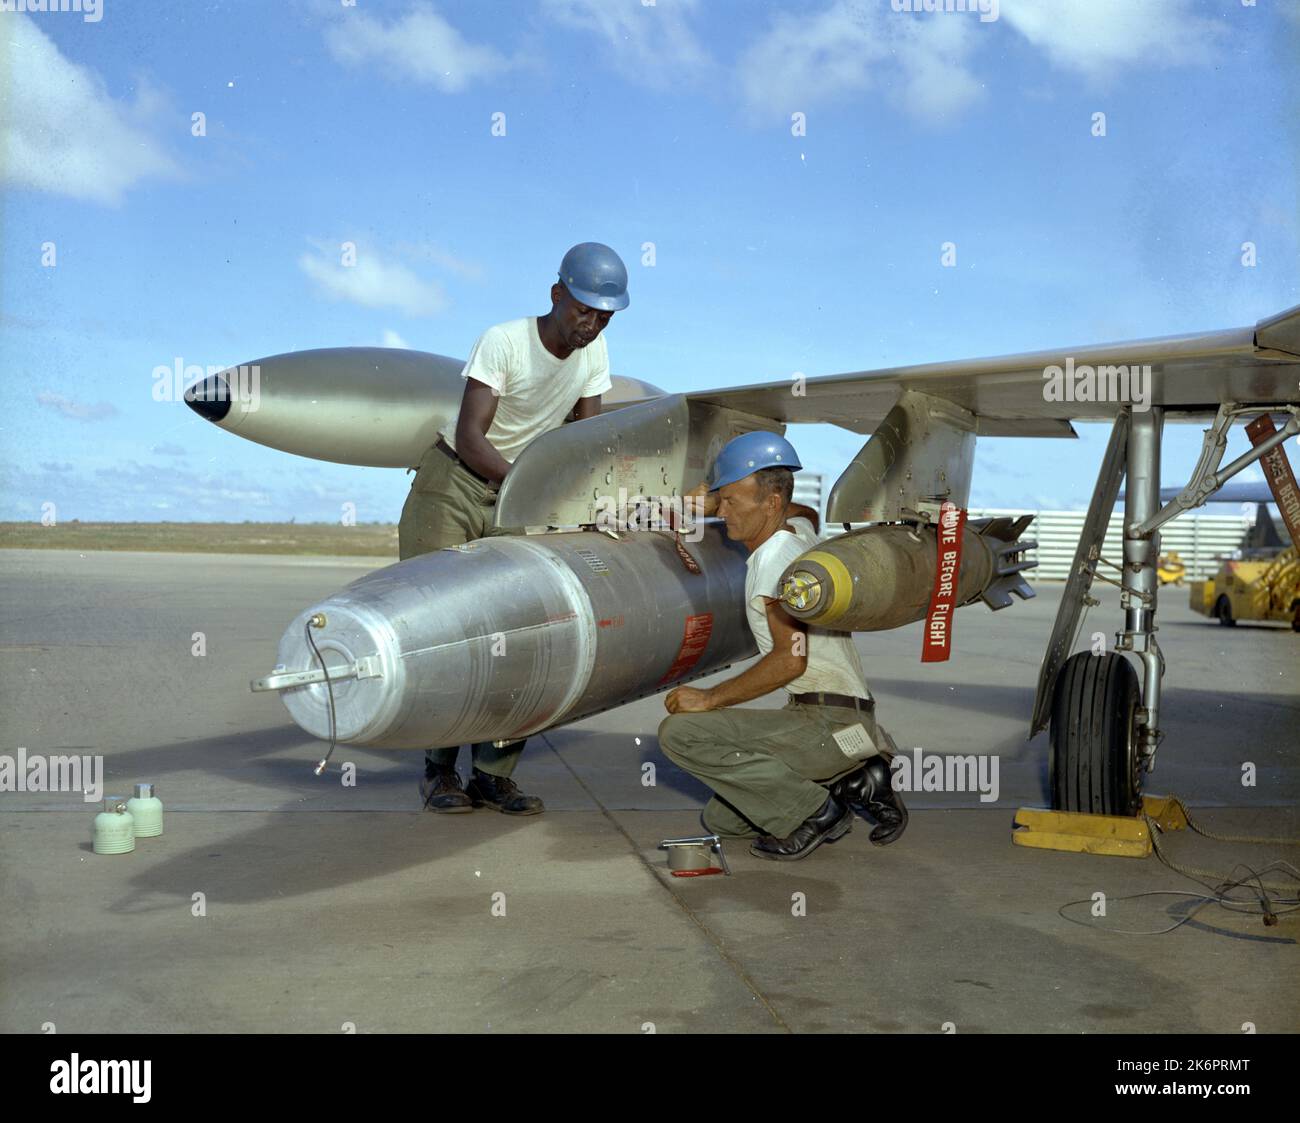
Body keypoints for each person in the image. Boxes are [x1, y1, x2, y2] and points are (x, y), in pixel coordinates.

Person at [398, 242, 630, 815]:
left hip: (517, 497)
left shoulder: (593, 353)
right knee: (440, 627)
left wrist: (586, 503)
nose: (592, 323)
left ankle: (492, 775)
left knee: (527, 631)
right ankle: (438, 773)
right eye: (583, 310)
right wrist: (531, 489)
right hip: (455, 484)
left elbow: (582, 444)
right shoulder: (504, 341)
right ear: (556, 295)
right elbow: (473, 436)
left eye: (604, 315)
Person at [657, 432, 908, 860]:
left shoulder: (775, 561)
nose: (724, 512)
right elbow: (804, 509)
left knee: (680, 733)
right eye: (724, 500)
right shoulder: (801, 535)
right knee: (724, 820)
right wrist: (719, 500)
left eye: (733, 502)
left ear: (771, 504)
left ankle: (819, 812)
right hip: (837, 716)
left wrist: (709, 698)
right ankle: (857, 777)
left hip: (827, 721)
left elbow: (790, 661)